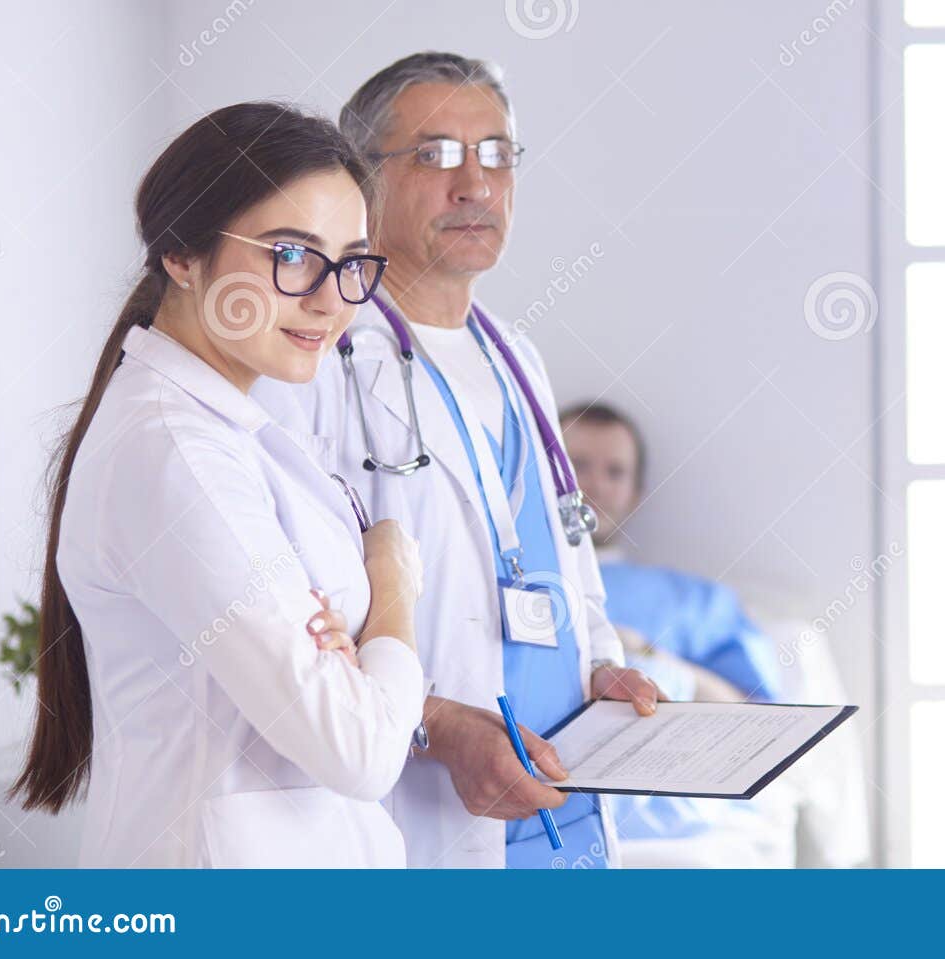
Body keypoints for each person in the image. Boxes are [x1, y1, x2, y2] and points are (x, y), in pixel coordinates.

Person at [253, 53, 661, 869]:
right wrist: (433, 726)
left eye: (497, 154)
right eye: (435, 155)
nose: (475, 185)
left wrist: (604, 667)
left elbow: (571, 568)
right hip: (424, 818)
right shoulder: (319, 360)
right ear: (365, 182)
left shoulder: (517, 357)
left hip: (565, 808)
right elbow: (290, 624)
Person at [12, 102, 426, 868]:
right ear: (181, 253)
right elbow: (361, 749)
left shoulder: (231, 430)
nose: (331, 299)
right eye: (292, 254)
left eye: (350, 263)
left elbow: (343, 713)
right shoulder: (175, 454)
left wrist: (358, 653)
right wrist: (394, 592)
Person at [561, 401, 801, 866]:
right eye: (578, 465)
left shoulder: (694, 603)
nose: (594, 485)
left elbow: (758, 723)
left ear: (636, 493)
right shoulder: (502, 591)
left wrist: (650, 657)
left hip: (665, 830)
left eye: (615, 471)